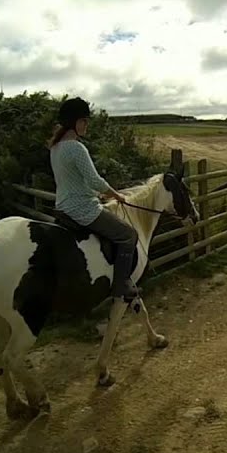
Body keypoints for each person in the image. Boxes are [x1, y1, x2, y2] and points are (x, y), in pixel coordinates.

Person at [47, 97, 141, 300]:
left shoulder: (55, 148)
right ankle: (121, 284)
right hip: (82, 210)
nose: (86, 125)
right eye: (84, 121)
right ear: (75, 122)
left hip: (62, 207)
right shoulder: (76, 148)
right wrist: (117, 196)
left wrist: (96, 194)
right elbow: (94, 180)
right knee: (128, 235)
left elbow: (74, 181)